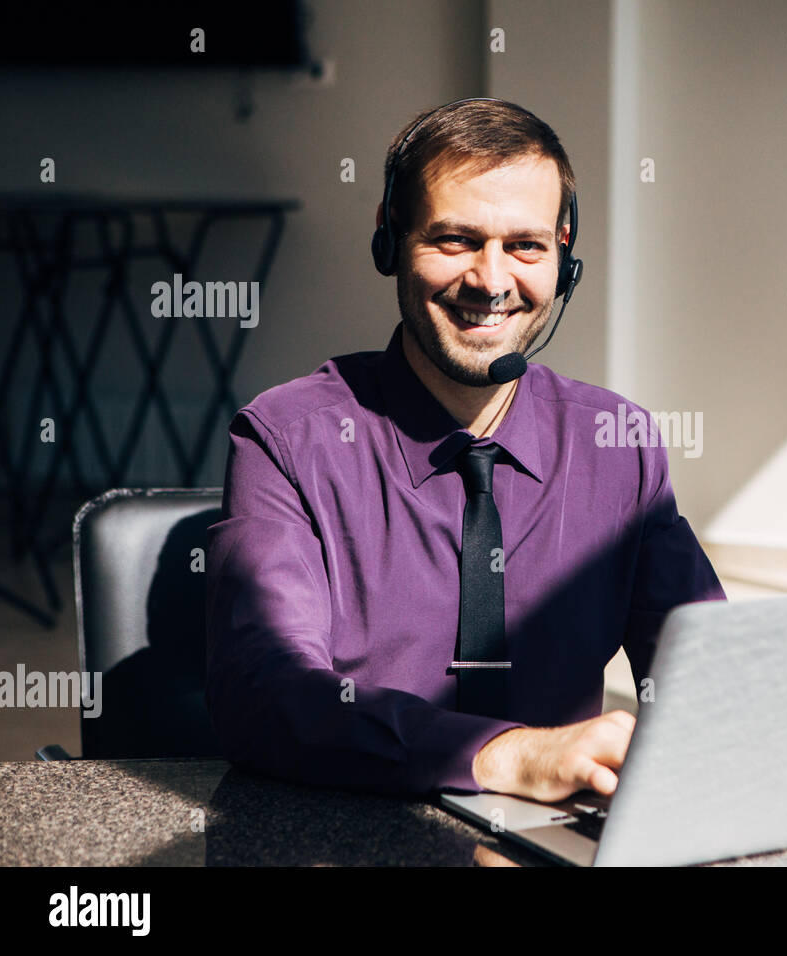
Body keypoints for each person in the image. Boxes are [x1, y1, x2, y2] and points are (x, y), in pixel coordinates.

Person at [205, 97, 725, 803]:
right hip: (350, 829)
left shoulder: (617, 444)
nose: (491, 280)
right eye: (455, 240)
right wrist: (508, 757)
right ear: (390, 241)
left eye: (526, 245)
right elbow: (263, 696)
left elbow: (711, 678)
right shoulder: (288, 440)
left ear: (565, 259)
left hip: (552, 841)